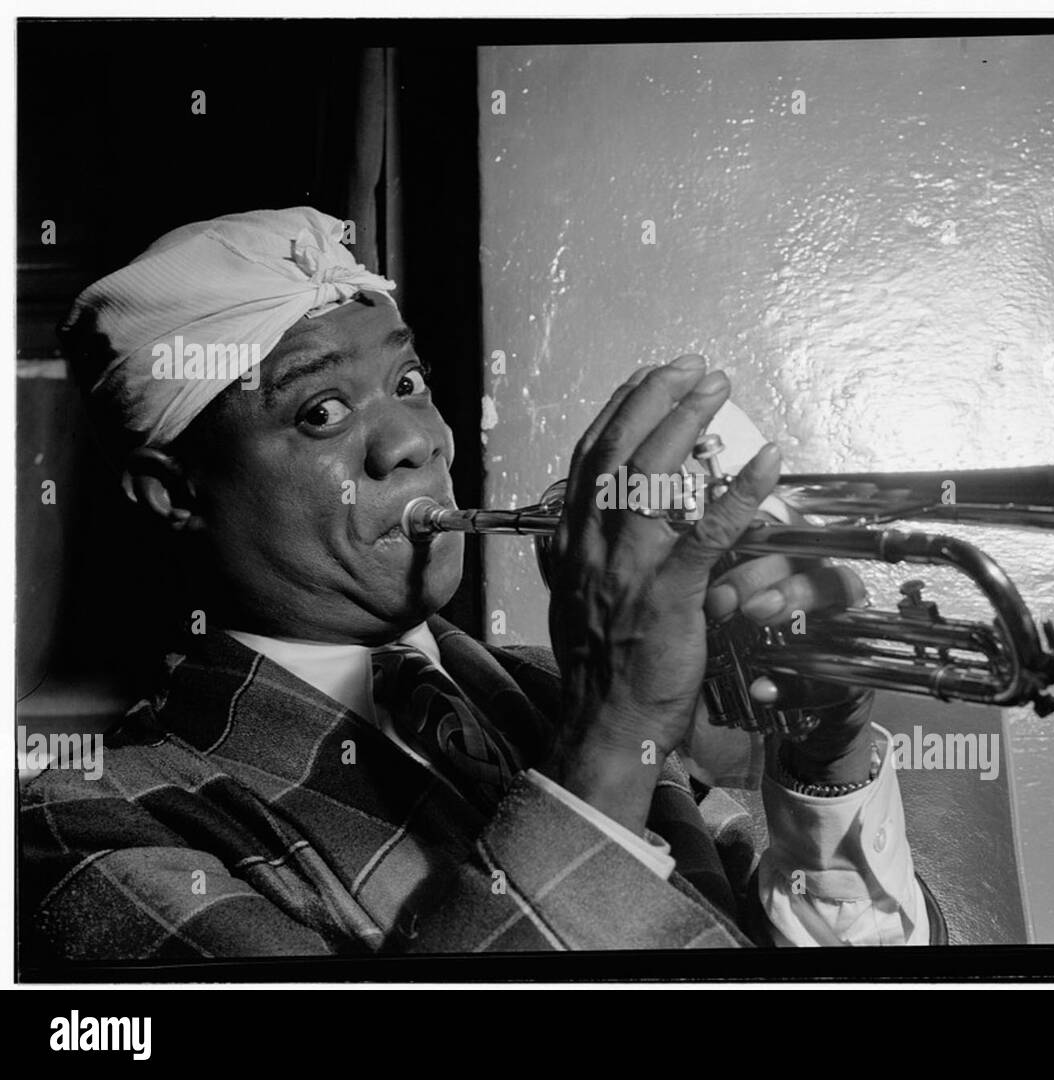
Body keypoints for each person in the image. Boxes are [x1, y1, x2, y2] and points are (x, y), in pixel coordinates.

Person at [21, 207, 944, 960]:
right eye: (322, 411)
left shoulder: (543, 688)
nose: (418, 442)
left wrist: (827, 762)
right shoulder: (92, 821)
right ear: (174, 491)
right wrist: (609, 744)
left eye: (410, 380)